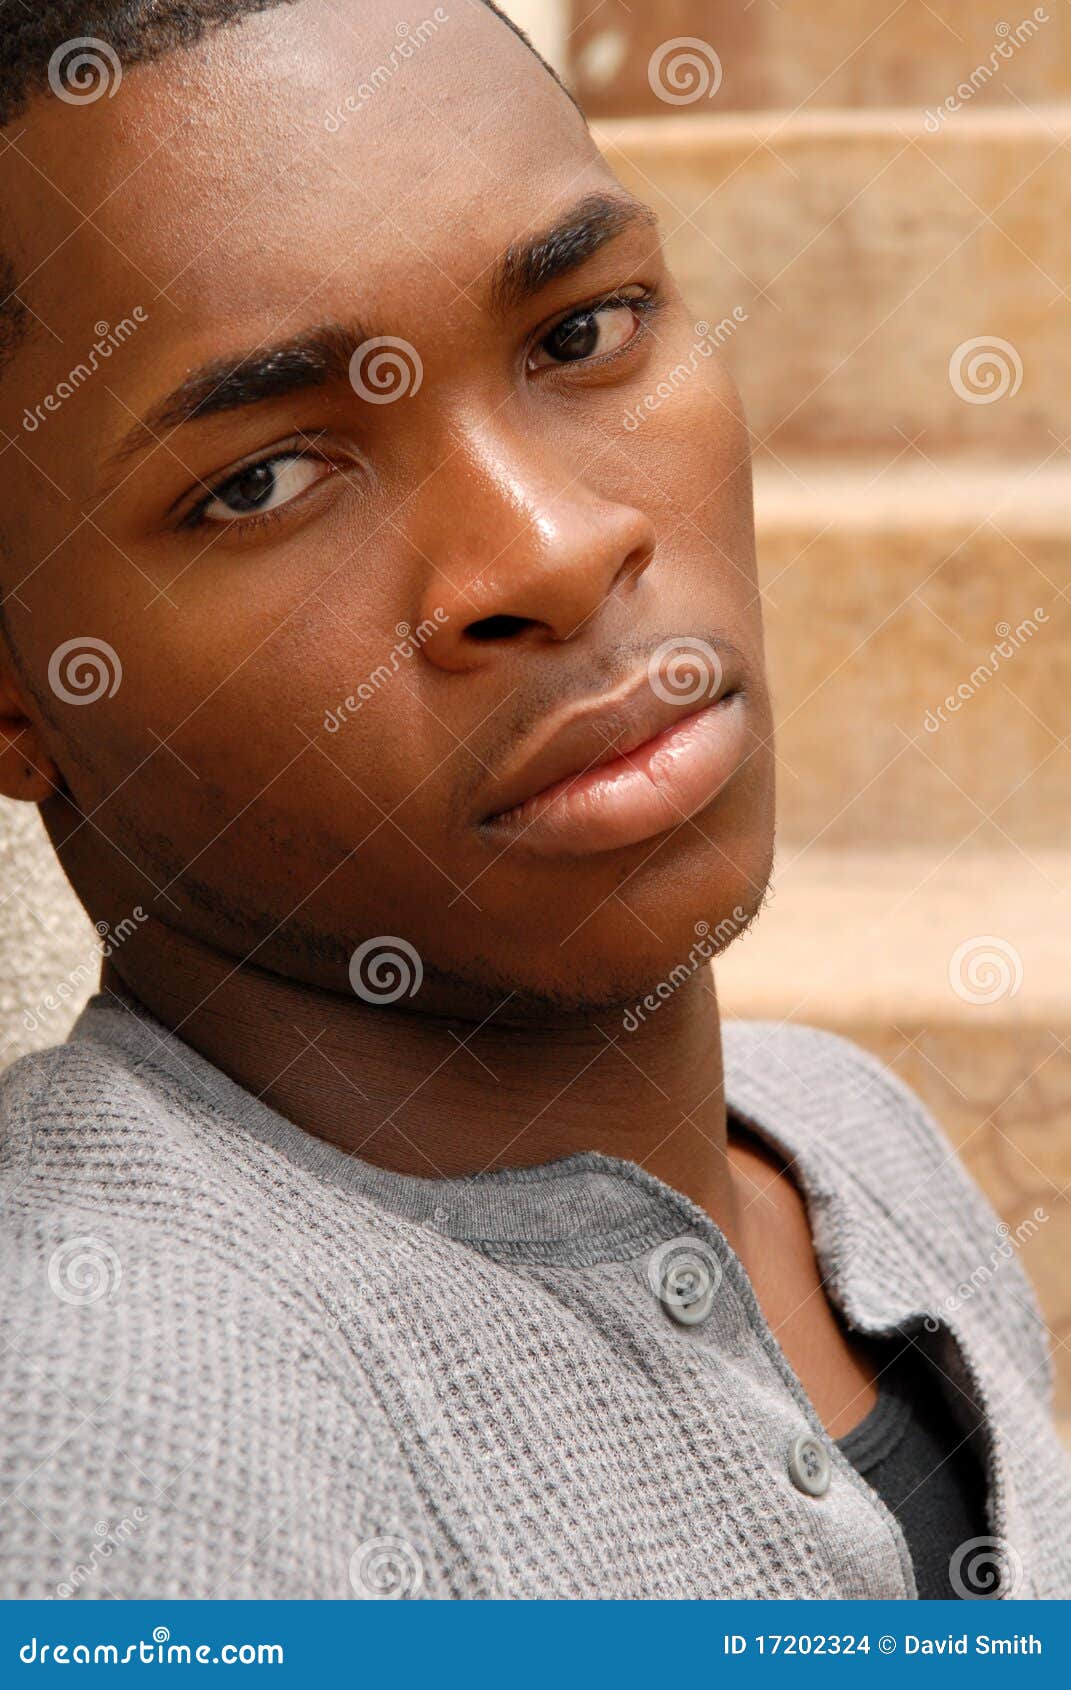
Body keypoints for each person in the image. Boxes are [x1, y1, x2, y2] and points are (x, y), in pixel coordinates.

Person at [0, 0, 1067, 1601]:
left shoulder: (848, 1133)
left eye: (581, 333)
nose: (557, 549)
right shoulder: (109, 1426)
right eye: (264, 480)